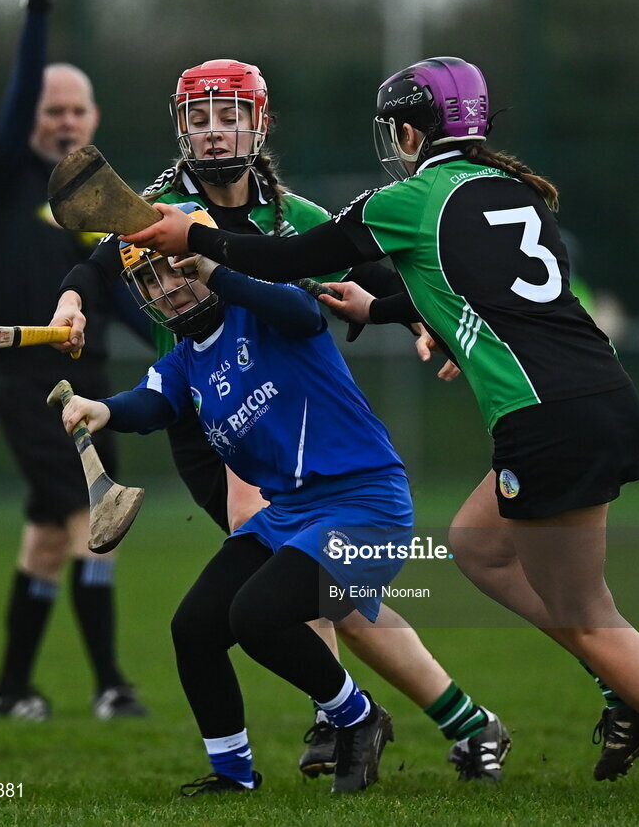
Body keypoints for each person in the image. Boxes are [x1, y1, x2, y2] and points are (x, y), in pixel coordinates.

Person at [125, 56, 639, 795]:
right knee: (475, 546)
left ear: (406, 131)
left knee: (588, 615)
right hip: (606, 399)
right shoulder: (515, 189)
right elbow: (481, 293)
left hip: (543, 420)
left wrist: (196, 243)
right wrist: (386, 310)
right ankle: (617, 683)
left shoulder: (404, 198)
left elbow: (287, 257)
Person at [50, 58, 511, 781]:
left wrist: (428, 322)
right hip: (200, 410)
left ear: (258, 124)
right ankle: (419, 721)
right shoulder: (158, 209)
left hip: (288, 418)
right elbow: (97, 266)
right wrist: (74, 308)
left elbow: (385, 280)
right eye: (197, 118)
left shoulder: (295, 220)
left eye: (228, 115)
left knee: (304, 594)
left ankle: (358, 718)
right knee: (304, 595)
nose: (211, 132)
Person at [61, 205, 414, 794]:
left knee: (257, 616)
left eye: (176, 270)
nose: (167, 289)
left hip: (365, 506)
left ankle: (358, 718)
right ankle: (232, 773)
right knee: (195, 627)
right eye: (150, 280)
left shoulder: (264, 307)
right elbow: (150, 401)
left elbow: (303, 311)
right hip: (290, 517)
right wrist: (102, 411)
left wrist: (215, 268)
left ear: (207, 261)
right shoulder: (185, 358)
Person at [0, 0, 145, 720]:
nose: (65, 121)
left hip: (95, 383)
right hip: (29, 385)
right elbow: (16, 108)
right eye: (52, 108)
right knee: (91, 517)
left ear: (95, 117)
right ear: (31, 117)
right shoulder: (9, 177)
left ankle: (10, 691)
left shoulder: (101, 205)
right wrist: (39, 3)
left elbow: (131, 300)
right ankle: (113, 685)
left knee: (51, 538)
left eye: (77, 109)